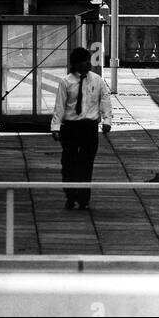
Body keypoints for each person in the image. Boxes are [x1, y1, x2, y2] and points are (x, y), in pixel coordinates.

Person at [51, 47, 112, 211]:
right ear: (76, 64)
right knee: (69, 162)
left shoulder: (97, 81)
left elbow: (105, 100)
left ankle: (84, 198)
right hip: (70, 127)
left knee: (86, 163)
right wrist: (56, 127)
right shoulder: (66, 82)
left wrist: (107, 120)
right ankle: (70, 195)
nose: (88, 65)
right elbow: (60, 106)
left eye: (88, 61)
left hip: (88, 127)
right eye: (84, 62)